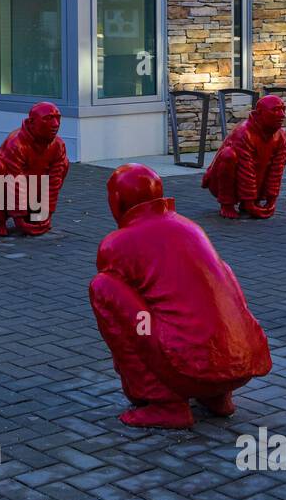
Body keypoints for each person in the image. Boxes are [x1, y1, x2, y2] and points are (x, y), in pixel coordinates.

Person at [90, 164, 272, 429]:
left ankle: (164, 402)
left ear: (116, 201)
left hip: (186, 369)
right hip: (240, 365)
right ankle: (217, 396)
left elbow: (128, 320)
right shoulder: (190, 227)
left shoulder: (116, 244)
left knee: (103, 287)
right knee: (215, 277)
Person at [0, 101, 70, 236]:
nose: (55, 125)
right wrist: (18, 217)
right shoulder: (16, 144)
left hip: (31, 189)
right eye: (48, 119)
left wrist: (46, 212)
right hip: (8, 190)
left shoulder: (58, 145)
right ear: (32, 122)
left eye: (57, 118)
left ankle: (34, 213)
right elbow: (15, 181)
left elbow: (54, 182)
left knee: (64, 164)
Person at [201, 94, 286, 220]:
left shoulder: (280, 135)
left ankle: (254, 200)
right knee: (229, 155)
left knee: (282, 156)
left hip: (254, 179)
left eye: (283, 110)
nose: (282, 115)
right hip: (220, 183)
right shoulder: (244, 132)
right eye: (275, 110)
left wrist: (271, 200)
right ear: (259, 113)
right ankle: (227, 204)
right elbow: (245, 170)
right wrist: (250, 204)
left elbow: (277, 169)